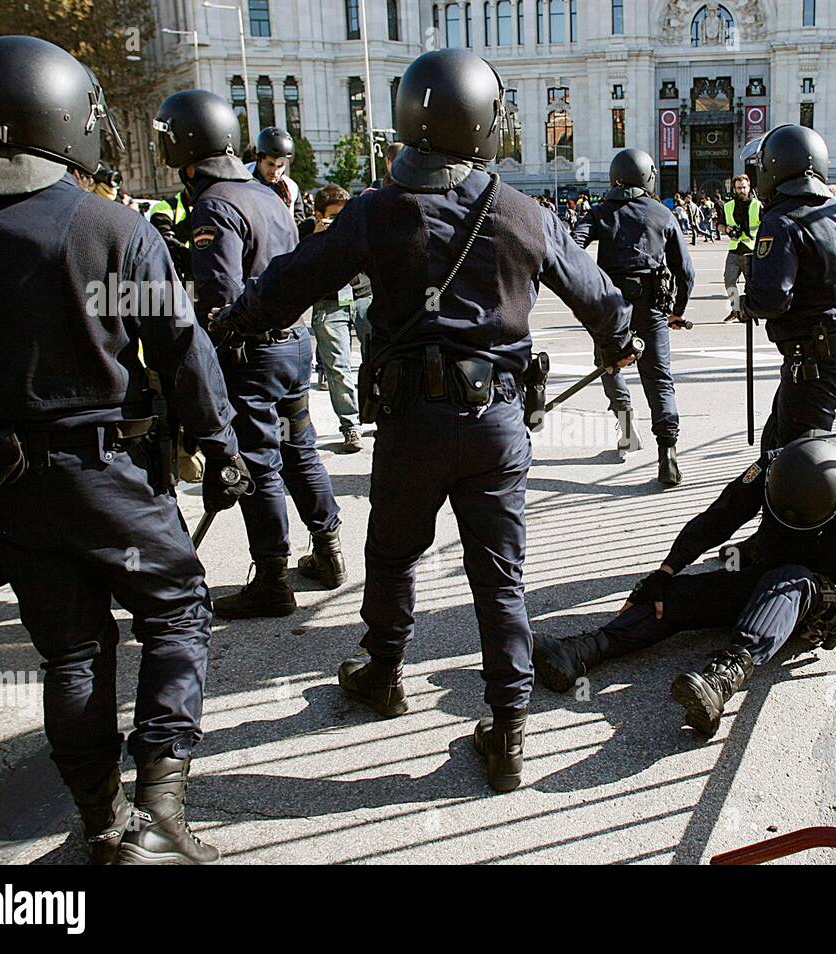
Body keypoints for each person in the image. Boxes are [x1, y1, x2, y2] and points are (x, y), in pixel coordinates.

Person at [207, 48, 639, 793]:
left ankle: (383, 671)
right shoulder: (524, 213)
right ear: (482, 123)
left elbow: (294, 279)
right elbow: (601, 298)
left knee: (394, 554)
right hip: (496, 423)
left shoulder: (377, 210)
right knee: (500, 578)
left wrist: (236, 324)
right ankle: (507, 730)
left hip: (411, 424)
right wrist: (620, 341)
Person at [0, 36, 253, 864]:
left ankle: (103, 822)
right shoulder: (116, 228)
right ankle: (160, 807)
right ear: (67, 115)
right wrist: (221, 449)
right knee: (179, 610)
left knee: (71, 652)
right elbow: (183, 352)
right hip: (107, 473)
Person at [532, 431, 836, 734]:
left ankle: (722, 678)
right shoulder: (772, 467)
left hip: (820, 598)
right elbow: (716, 521)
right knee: (677, 595)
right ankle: (586, 649)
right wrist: (665, 572)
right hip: (761, 578)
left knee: (789, 578)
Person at [154, 89, 346, 618]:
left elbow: (221, 302)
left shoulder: (214, 205)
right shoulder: (267, 195)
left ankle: (272, 579)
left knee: (260, 463)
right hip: (294, 346)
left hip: (252, 354)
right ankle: (329, 551)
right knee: (300, 449)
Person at [740, 125, 836, 450]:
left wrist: (747, 302)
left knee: (801, 465)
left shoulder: (780, 221)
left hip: (813, 359)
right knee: (775, 445)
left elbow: (771, 299)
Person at [573, 148, 695, 484]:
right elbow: (685, 271)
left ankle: (626, 426)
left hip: (611, 306)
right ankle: (667, 454)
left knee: (610, 365)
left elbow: (572, 247)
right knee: (658, 379)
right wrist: (677, 310)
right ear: (647, 176)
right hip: (653, 306)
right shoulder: (661, 213)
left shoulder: (599, 212)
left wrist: (591, 290)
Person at [307, 184, 365, 452]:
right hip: (329, 302)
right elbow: (298, 269)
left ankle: (378, 413)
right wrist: (318, 239)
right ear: (319, 214)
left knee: (379, 357)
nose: (339, 222)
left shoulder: (359, 224)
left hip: (363, 296)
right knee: (338, 367)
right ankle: (350, 425)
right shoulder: (308, 233)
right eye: (333, 216)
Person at [247, 125, 307, 223]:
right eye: (270, 164)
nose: (275, 172)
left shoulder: (291, 188)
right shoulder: (240, 179)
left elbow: (297, 222)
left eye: (280, 166)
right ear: (259, 159)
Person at [722, 174, 762, 309]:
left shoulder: (757, 205)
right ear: (734, 189)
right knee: (729, 281)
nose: (741, 191)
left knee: (752, 283)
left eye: (744, 187)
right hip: (734, 249)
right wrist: (727, 230)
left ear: (749, 187)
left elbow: (766, 225)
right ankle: (736, 309)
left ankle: (751, 308)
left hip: (751, 250)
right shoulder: (728, 206)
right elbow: (720, 225)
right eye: (738, 188)